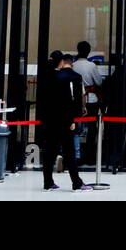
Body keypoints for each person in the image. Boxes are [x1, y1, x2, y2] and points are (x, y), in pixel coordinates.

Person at [38, 52, 90, 191]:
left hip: (49, 122)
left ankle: (48, 182)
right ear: (61, 62)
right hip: (63, 122)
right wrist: (71, 119)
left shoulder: (47, 77)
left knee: (49, 152)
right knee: (69, 152)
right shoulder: (64, 78)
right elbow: (66, 102)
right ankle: (76, 182)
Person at [71, 40, 103, 164]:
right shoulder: (91, 66)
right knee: (91, 130)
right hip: (91, 99)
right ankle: (89, 156)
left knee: (77, 129)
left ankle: (77, 155)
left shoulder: (74, 65)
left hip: (77, 100)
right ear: (88, 52)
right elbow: (99, 82)